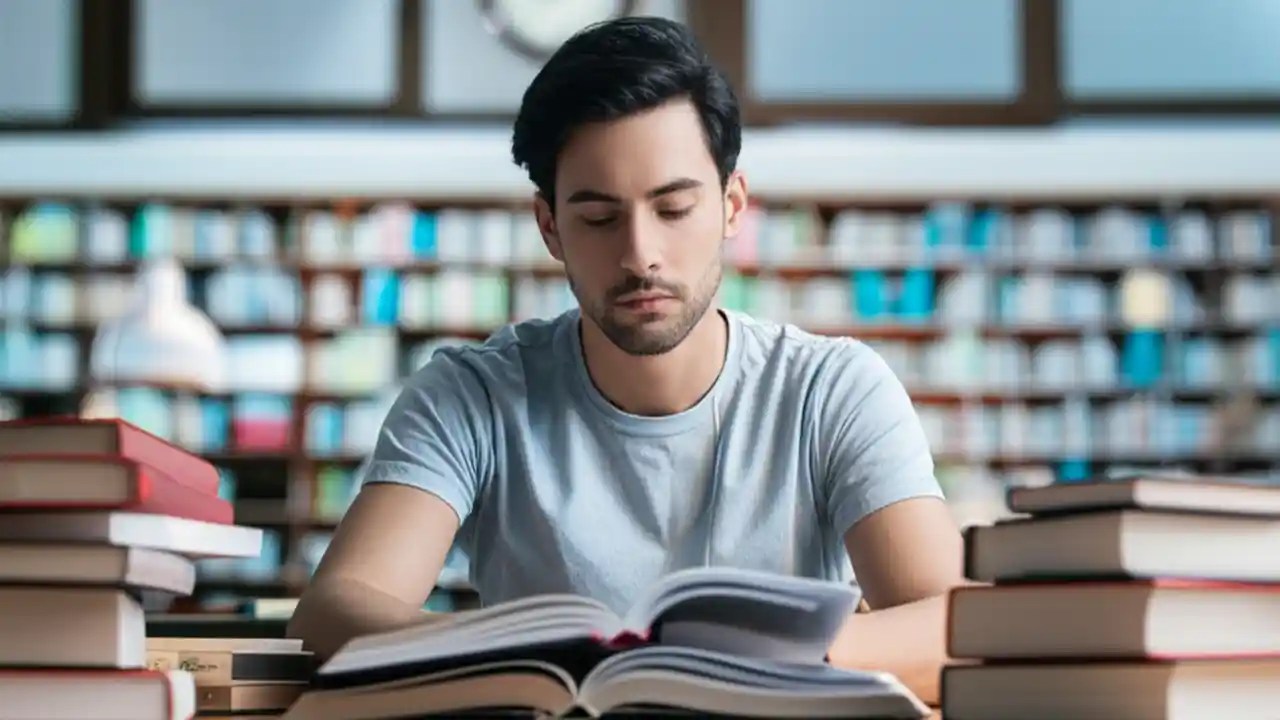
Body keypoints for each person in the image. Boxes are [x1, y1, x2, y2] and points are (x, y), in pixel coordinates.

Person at [287, 15, 964, 705]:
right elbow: (331, 615)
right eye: (600, 219)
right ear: (550, 227)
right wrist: (543, 659)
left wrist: (741, 662)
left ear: (732, 206)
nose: (641, 254)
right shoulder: (471, 395)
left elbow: (956, 626)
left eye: (673, 209)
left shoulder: (832, 389)